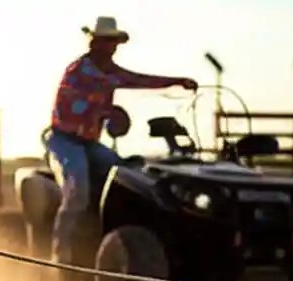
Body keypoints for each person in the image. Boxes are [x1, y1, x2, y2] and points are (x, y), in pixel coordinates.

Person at [47, 16, 198, 267]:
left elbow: (140, 79)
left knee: (125, 172)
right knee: (77, 191)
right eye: (107, 41)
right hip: (65, 141)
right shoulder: (78, 72)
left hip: (87, 144)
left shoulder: (111, 73)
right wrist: (105, 112)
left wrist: (175, 81)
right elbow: (70, 109)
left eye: (114, 42)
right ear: (94, 43)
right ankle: (59, 255)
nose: (112, 47)